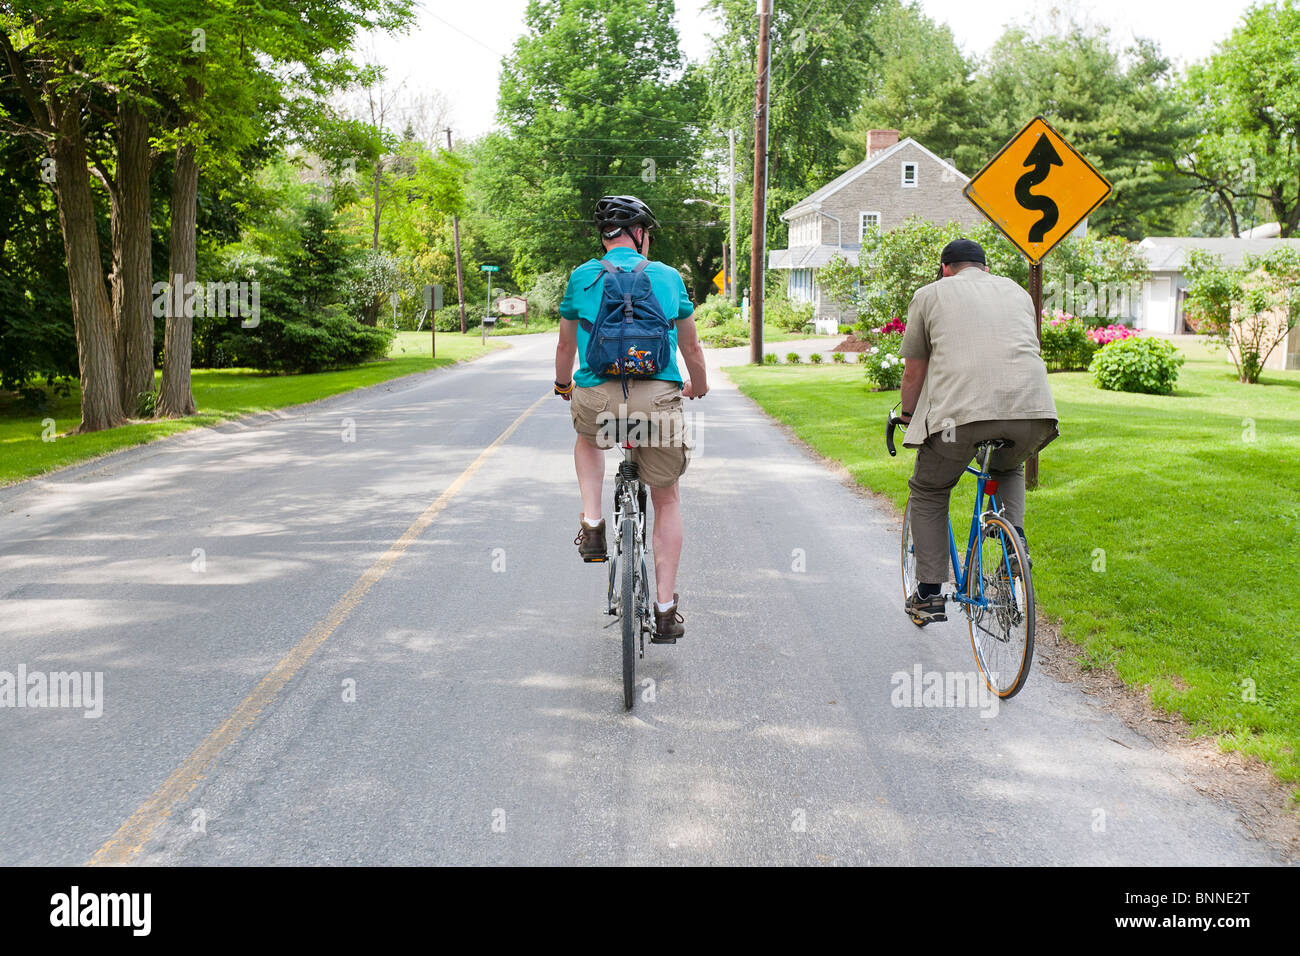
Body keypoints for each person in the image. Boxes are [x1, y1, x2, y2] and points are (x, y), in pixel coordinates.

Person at [554, 195, 709, 642]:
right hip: (658, 403)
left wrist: (565, 386)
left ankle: (593, 523)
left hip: (598, 401)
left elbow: (566, 349)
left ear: (604, 236)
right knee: (667, 499)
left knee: (587, 438)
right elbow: (692, 349)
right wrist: (697, 385)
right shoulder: (666, 276)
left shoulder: (583, 276)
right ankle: (664, 610)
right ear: (640, 234)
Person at [897, 237, 1059, 625]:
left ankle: (930, 594)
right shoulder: (1017, 291)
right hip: (1033, 411)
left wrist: (906, 415)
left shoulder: (929, 294)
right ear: (985, 268)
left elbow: (914, 370)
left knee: (930, 490)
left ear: (945, 268)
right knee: (1008, 466)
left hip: (959, 420)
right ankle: (1012, 548)